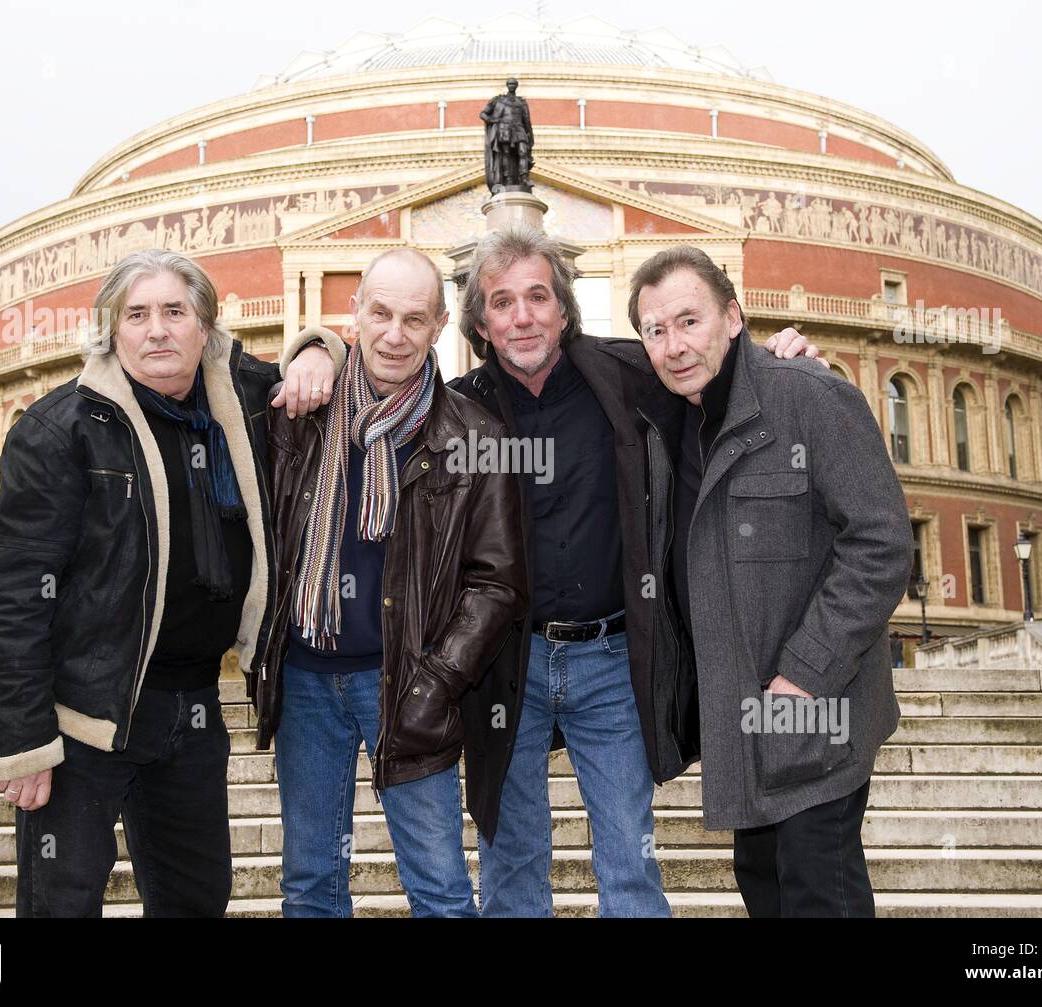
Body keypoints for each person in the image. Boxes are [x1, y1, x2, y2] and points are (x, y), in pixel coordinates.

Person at [275, 224, 822, 917]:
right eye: (502, 302)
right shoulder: (459, 413)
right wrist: (315, 347)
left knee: (629, 856)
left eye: (538, 297)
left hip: (614, 658)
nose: (523, 315)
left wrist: (777, 359)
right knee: (511, 859)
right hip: (506, 664)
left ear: (565, 309)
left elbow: (709, 373)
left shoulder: (632, 379)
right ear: (477, 322)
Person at [0, 249, 279, 916]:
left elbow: (319, 376)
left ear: (207, 329)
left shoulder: (236, 406)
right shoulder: (61, 430)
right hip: (86, 715)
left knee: (196, 900)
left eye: (175, 311)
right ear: (112, 330)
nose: (156, 329)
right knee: (63, 902)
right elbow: (10, 593)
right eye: (136, 314)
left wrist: (322, 351)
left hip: (192, 711)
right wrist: (23, 741)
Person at [630, 244, 912, 917]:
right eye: (654, 330)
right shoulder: (667, 423)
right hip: (741, 726)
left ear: (734, 315)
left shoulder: (810, 395)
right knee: (767, 889)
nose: (673, 345)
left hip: (815, 711)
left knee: (818, 892)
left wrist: (805, 673)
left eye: (689, 321)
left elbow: (881, 542)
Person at [256, 247, 527, 917]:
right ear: (354, 313)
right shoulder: (300, 410)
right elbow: (200, 362)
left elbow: (497, 582)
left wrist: (437, 679)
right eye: (379, 313)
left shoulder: (475, 434)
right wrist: (310, 348)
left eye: (414, 318)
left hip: (408, 683)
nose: (394, 334)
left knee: (439, 888)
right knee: (311, 881)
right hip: (306, 677)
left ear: (438, 325)